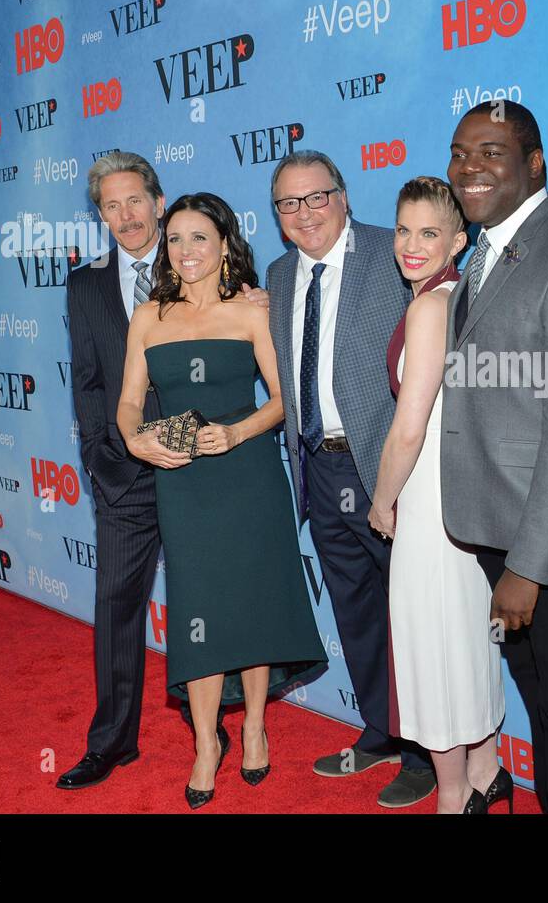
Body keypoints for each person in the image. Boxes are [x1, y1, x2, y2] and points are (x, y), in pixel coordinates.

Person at [60, 152, 264, 791]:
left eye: (133, 201)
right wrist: (103, 457)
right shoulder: (85, 284)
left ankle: (222, 722)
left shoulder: (199, 266)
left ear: (156, 199)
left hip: (206, 473)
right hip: (126, 475)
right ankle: (112, 743)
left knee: (216, 598)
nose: (124, 216)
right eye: (109, 206)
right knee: (117, 605)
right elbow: (91, 383)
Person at [116, 192, 324, 809]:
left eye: (199, 237)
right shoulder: (149, 315)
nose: (186, 251)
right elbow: (130, 399)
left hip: (250, 472)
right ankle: (207, 742)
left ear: (226, 243)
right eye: (175, 239)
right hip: (182, 477)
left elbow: (287, 400)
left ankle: (254, 724)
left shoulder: (251, 310)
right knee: (198, 608)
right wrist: (134, 439)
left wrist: (236, 432)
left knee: (250, 600)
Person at [442, 100, 548, 814]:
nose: (470, 168)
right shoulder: (486, 250)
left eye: (490, 151)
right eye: (459, 153)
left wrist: (528, 564)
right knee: (542, 695)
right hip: (497, 525)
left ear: (535, 161)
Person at [264, 151, 437, 809]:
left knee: (409, 616)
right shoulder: (280, 276)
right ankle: (382, 728)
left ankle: (427, 748)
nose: (305, 212)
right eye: (289, 203)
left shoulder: (388, 254)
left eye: (317, 197)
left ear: (343, 197)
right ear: (277, 217)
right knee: (357, 612)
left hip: (385, 467)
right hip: (317, 467)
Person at [369, 176, 506, 814]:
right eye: (403, 230)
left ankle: (453, 798)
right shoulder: (472, 293)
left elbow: (410, 426)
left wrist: (380, 500)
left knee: (434, 646)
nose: (412, 245)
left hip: (428, 500)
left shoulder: (430, 307)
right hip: (468, 501)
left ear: (460, 237)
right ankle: (487, 772)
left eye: (429, 233)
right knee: (467, 640)